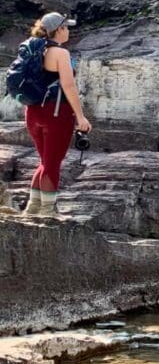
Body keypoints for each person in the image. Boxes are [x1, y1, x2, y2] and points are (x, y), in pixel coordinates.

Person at [23, 12, 92, 217]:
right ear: (58, 30)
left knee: (45, 161)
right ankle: (48, 211)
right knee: (52, 164)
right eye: (67, 27)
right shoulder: (60, 54)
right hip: (56, 113)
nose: (69, 30)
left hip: (33, 112)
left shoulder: (32, 49)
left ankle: (33, 207)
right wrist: (80, 117)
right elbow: (69, 87)